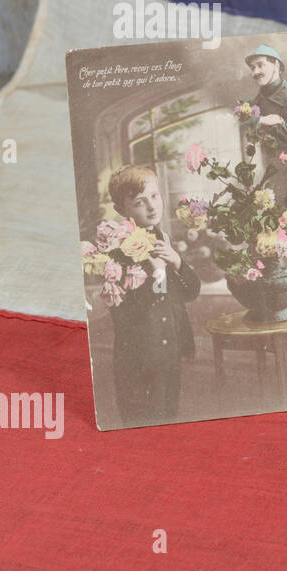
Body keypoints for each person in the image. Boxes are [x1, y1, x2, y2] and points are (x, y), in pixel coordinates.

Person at [105, 164, 201, 426]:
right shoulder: (117, 252)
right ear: (122, 210)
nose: (151, 206)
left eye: (155, 196)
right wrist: (158, 274)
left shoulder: (161, 238)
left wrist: (177, 262)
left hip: (168, 351)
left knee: (169, 413)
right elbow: (126, 314)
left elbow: (191, 292)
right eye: (139, 202)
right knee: (145, 419)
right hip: (140, 357)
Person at [244, 44, 287, 153]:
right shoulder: (255, 102)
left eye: (260, 65)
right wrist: (262, 120)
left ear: (276, 65)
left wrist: (257, 125)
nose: (255, 72)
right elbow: (238, 126)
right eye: (252, 68)